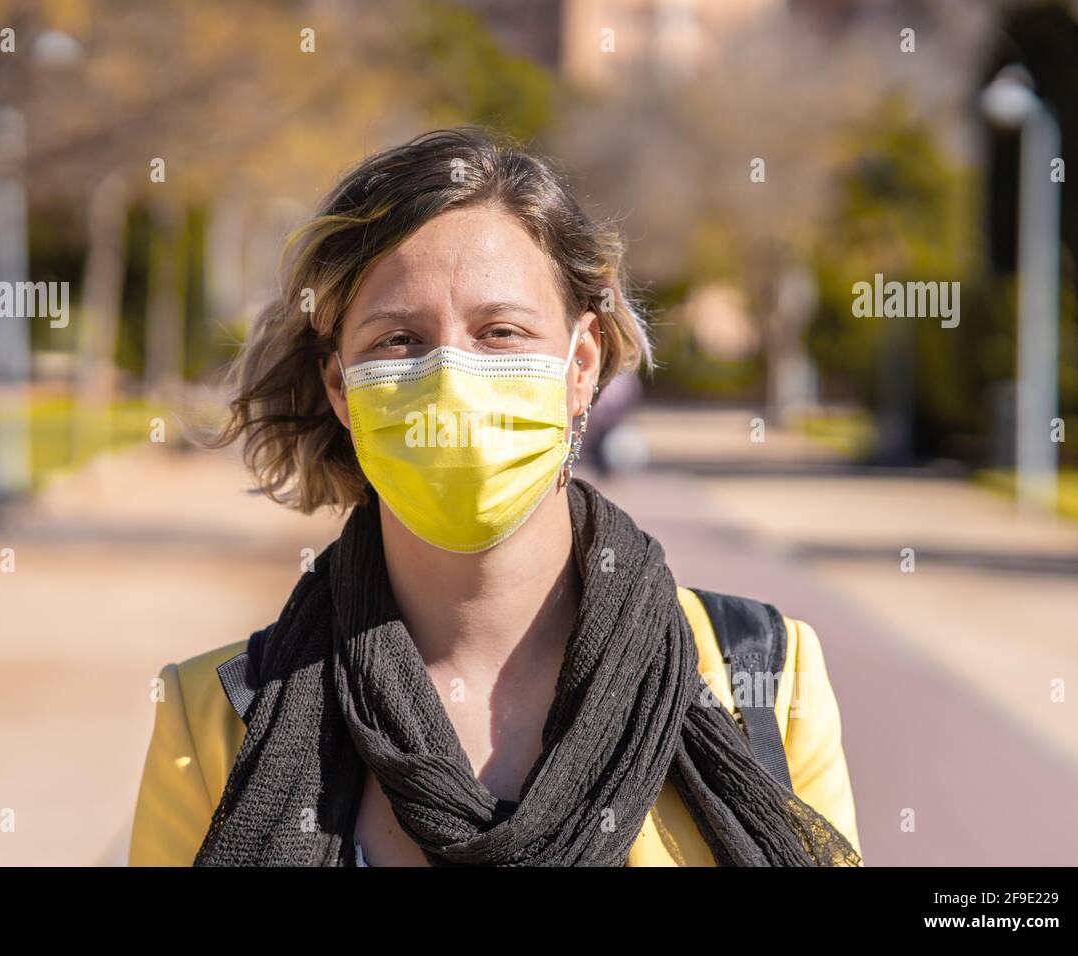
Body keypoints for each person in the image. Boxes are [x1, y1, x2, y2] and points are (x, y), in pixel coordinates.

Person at [129, 126, 862, 867]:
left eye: (500, 331)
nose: (451, 377)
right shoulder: (216, 720)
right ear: (339, 386)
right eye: (399, 340)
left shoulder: (760, 676)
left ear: (582, 363)